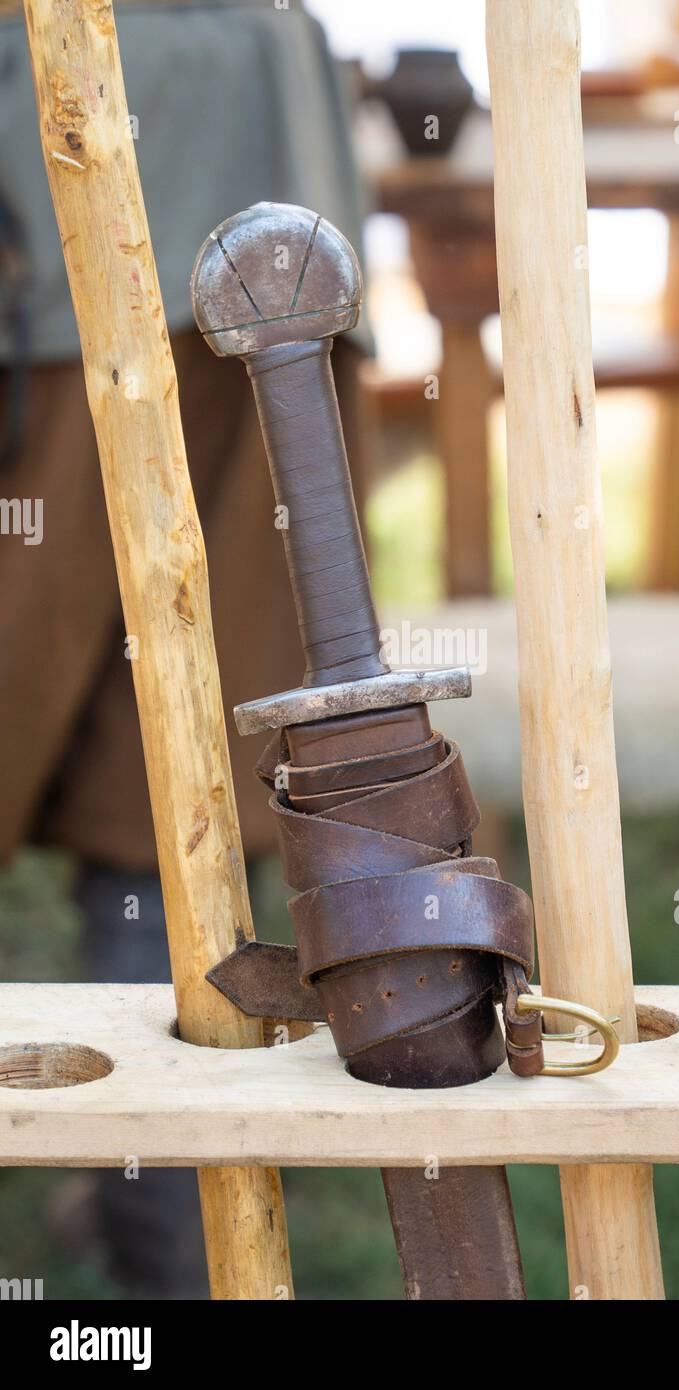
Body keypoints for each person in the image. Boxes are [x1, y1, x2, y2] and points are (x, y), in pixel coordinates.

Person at [0, 0, 370, 1298]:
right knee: (156, 800)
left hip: (98, 373)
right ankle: (151, 1205)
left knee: (151, 801)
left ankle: (153, 1223)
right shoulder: (279, 31)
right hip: (215, 362)